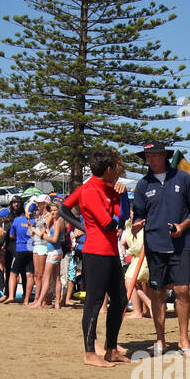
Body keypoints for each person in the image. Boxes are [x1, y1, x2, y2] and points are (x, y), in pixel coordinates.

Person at [132, 139, 190, 355]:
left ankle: (184, 339)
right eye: (147, 156)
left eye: (154, 154)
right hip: (154, 245)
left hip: (180, 244)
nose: (150, 159)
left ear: (164, 155)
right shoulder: (143, 184)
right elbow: (139, 213)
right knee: (157, 292)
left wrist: (183, 226)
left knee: (183, 290)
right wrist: (137, 222)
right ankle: (160, 339)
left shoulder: (183, 178)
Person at [60, 148, 131, 367]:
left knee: (119, 300)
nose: (119, 173)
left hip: (110, 251)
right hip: (95, 252)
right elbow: (111, 223)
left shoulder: (110, 189)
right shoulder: (89, 190)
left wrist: (124, 194)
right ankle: (89, 352)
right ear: (108, 169)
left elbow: (124, 215)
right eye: (117, 168)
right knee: (94, 302)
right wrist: (83, 227)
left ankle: (111, 349)